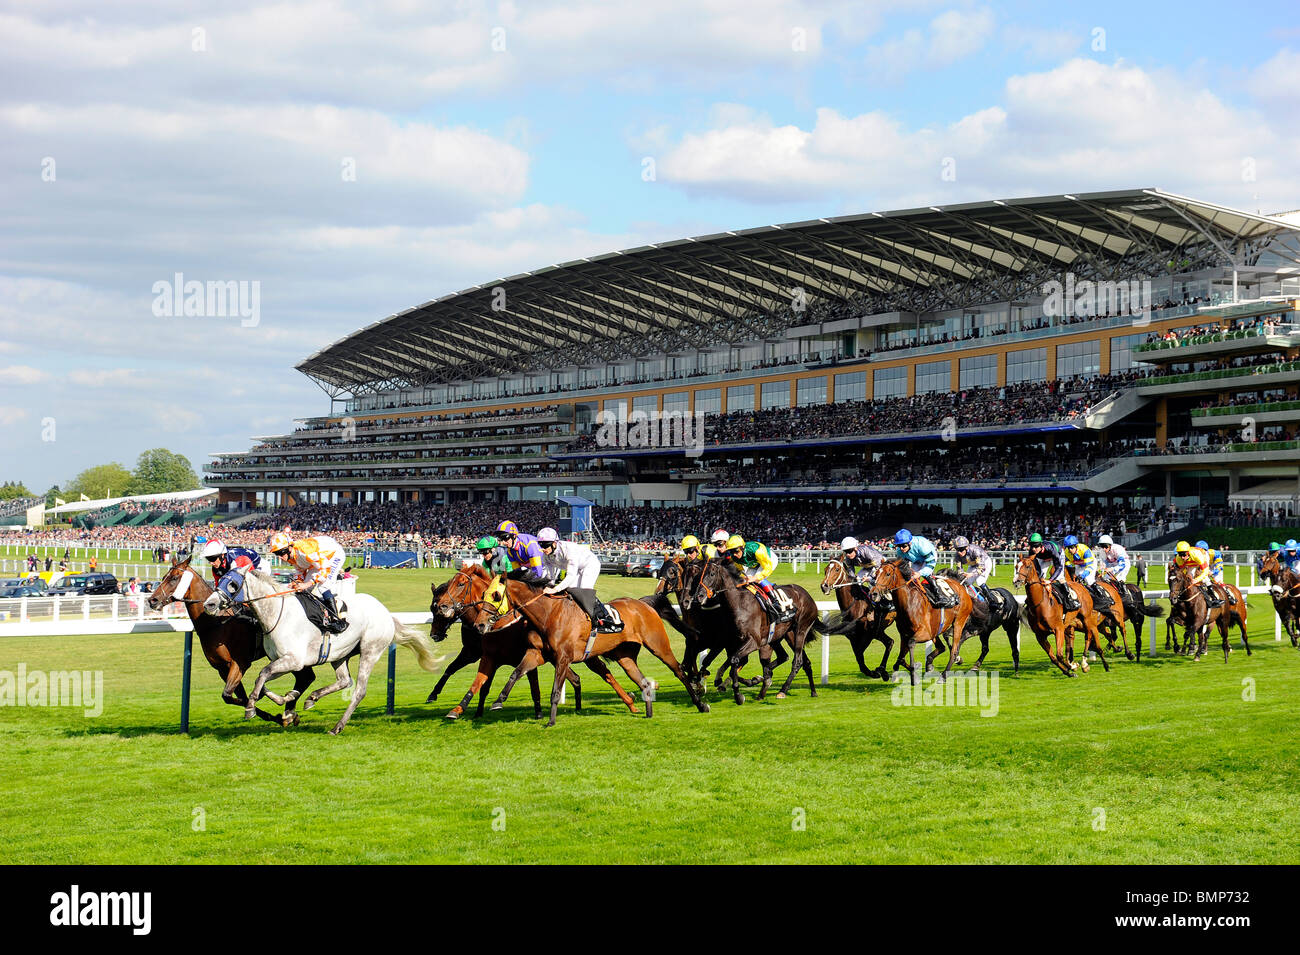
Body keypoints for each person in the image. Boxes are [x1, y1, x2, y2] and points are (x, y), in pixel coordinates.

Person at [536, 527, 621, 661]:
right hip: (576, 569)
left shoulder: (569, 550)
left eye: (545, 545)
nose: (543, 549)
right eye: (540, 545)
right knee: (569, 592)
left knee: (583, 590)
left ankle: (605, 616)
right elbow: (549, 577)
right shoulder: (545, 555)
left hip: (589, 565)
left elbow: (569, 577)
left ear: (554, 543)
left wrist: (554, 589)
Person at [268, 530, 349, 633]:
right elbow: (300, 570)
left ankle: (337, 619)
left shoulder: (304, 551)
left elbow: (325, 570)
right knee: (303, 590)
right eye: (276, 553)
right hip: (317, 561)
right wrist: (297, 582)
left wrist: (307, 584)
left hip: (333, 556)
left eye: (280, 552)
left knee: (323, 586)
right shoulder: (290, 555)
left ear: (289, 547)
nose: (279, 557)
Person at [721, 534, 795, 621]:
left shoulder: (757, 550)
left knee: (758, 579)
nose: (734, 554)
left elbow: (768, 568)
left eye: (736, 551)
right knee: (746, 580)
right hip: (755, 563)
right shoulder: (735, 557)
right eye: (731, 551)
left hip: (769, 560)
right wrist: (745, 578)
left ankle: (775, 602)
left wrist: (756, 577)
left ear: (742, 547)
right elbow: (741, 571)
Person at [892, 529, 957, 608]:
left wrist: (920, 573)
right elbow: (902, 566)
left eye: (904, 546)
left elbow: (930, 564)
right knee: (910, 578)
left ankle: (939, 595)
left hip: (928, 559)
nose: (901, 548)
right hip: (916, 560)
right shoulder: (900, 551)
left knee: (926, 575)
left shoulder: (922, 545)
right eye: (899, 546)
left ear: (910, 543)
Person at [1027, 533, 1077, 609]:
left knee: (1060, 577)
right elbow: (1036, 567)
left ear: (1041, 545)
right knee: (1039, 577)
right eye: (1032, 546)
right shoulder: (1032, 551)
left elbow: (1059, 567)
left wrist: (1050, 580)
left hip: (1057, 554)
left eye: (1036, 546)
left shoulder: (1050, 548)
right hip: (1044, 558)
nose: (1034, 549)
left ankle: (1070, 600)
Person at [1063, 534, 1111, 608]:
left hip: (1090, 563)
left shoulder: (1084, 550)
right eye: (1068, 548)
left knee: (1088, 580)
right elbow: (1068, 563)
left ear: (1076, 546)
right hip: (1078, 564)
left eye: (1071, 547)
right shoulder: (1067, 552)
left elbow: (1089, 567)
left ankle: (1102, 597)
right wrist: (1072, 573)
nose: (1070, 550)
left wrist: (1083, 575)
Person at [494, 520, 548, 585]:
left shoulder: (530, 545)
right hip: (533, 568)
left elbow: (538, 572)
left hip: (547, 566)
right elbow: (517, 572)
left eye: (505, 538)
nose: (503, 542)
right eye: (501, 539)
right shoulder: (509, 552)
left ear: (514, 536)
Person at [951, 535, 997, 607]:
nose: (959, 552)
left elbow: (981, 568)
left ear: (966, 547)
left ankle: (992, 601)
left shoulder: (976, 550)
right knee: (966, 582)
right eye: (957, 550)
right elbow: (959, 570)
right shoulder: (957, 556)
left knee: (980, 581)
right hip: (973, 565)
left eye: (961, 549)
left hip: (985, 563)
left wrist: (971, 574)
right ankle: (977, 599)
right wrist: (962, 575)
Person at [1173, 541, 1221, 607]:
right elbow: (1182, 572)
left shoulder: (1197, 555)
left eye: (1184, 554)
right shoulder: (1179, 558)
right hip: (1191, 563)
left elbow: (1206, 571)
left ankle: (1214, 598)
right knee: (1188, 577)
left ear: (1188, 552)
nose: (1182, 557)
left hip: (1201, 558)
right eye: (1180, 555)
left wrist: (1197, 579)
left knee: (1205, 579)